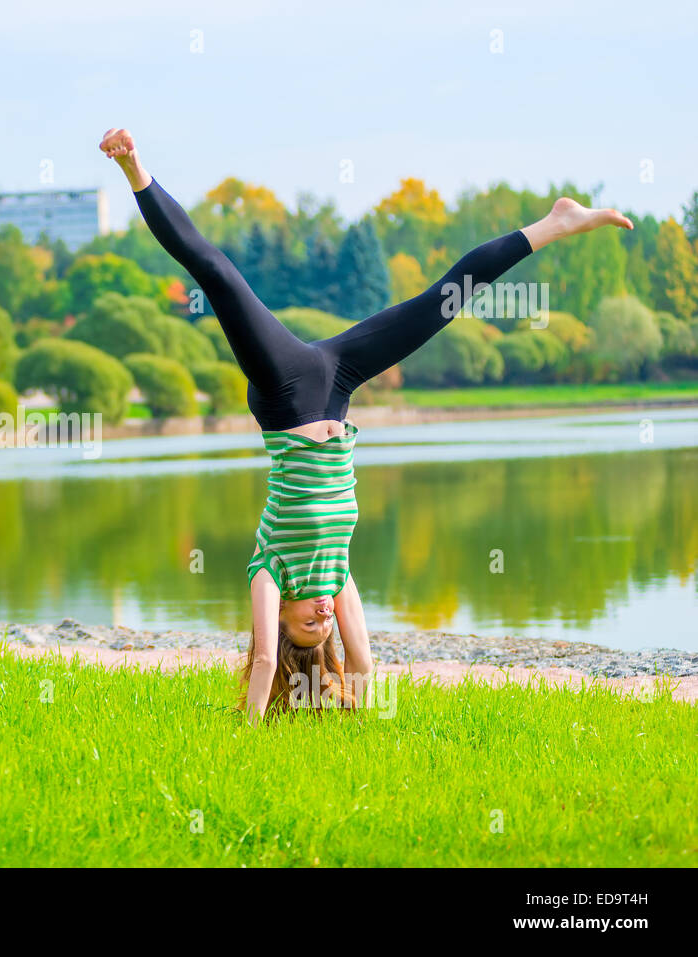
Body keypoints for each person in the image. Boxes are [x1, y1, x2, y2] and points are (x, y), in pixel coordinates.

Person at [99, 127, 633, 720]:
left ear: (279, 617)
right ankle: (555, 224)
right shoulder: (336, 578)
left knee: (218, 276)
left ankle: (136, 171)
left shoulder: (269, 573)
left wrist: (248, 723)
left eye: (307, 620)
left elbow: (266, 665)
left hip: (282, 393)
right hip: (335, 387)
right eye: (320, 624)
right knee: (441, 304)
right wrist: (355, 703)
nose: (320, 615)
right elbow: (364, 662)